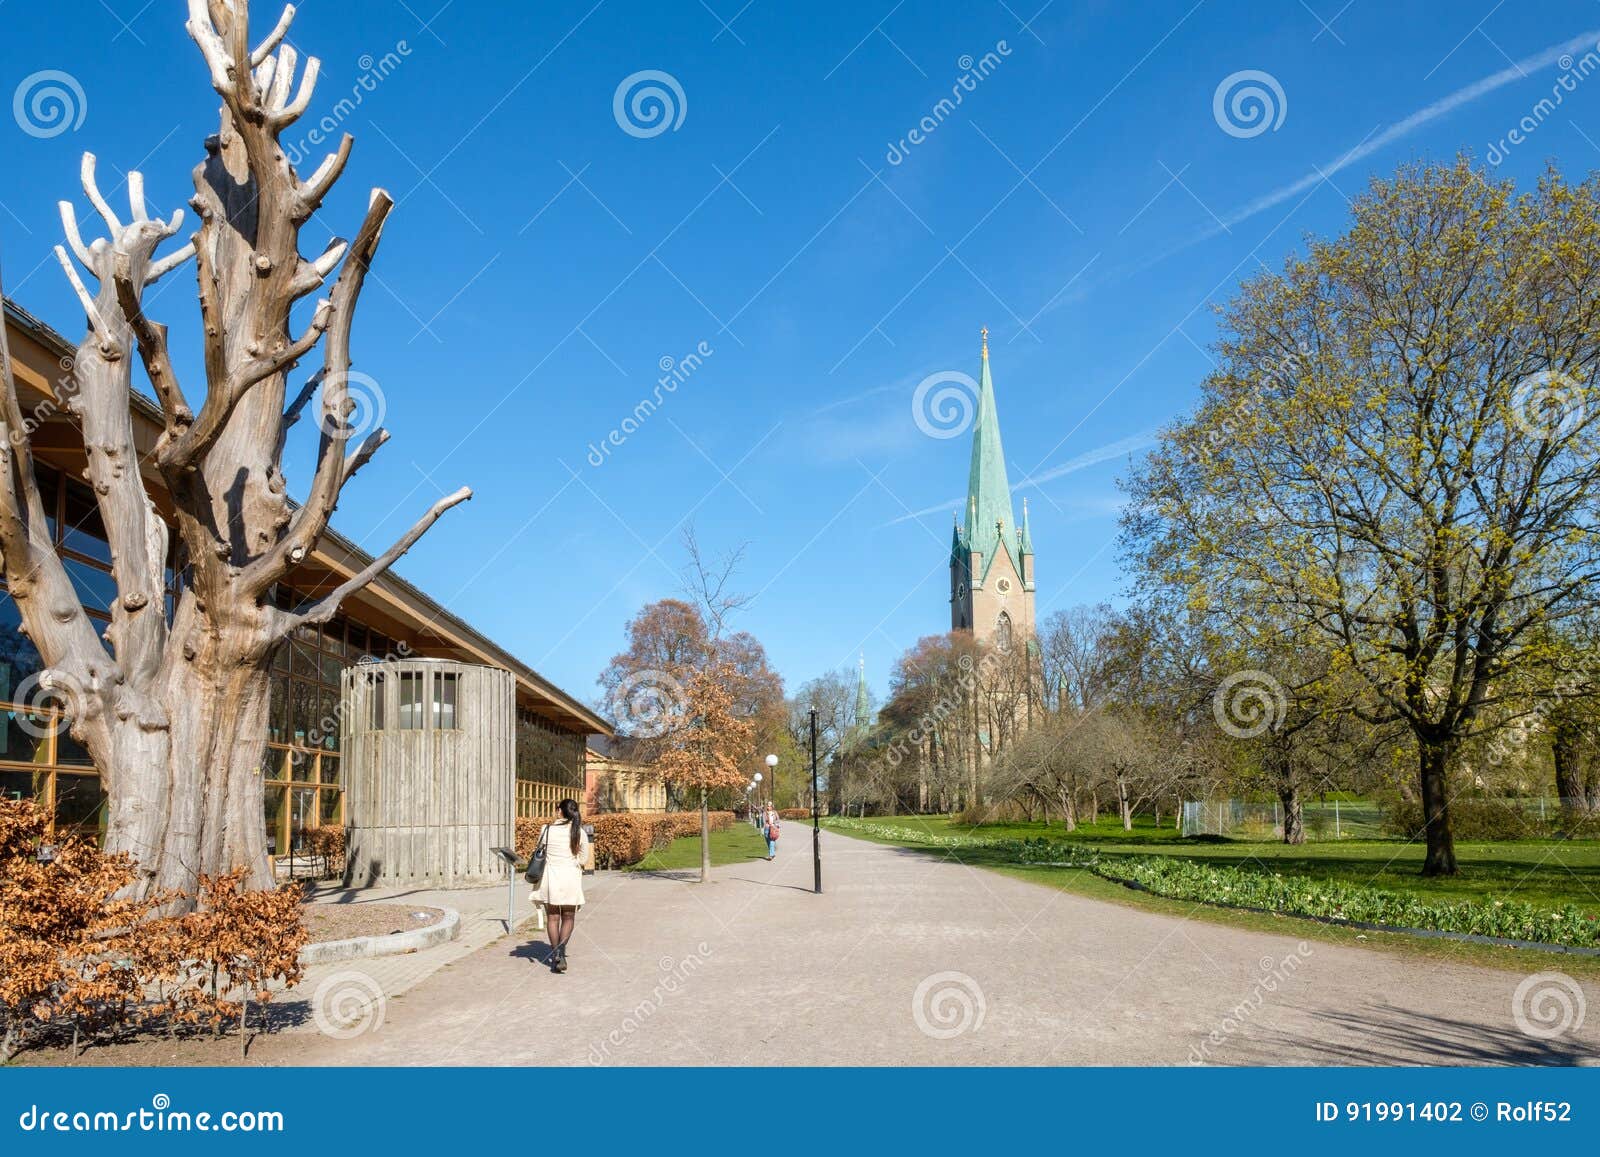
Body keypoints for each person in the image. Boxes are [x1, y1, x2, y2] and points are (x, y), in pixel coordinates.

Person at [530, 798, 589, 973]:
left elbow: (540, 850)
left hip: (551, 878)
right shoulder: (579, 832)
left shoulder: (546, 830)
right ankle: (562, 952)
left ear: (559, 811)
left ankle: (556, 954)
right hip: (570, 878)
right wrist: (574, 861)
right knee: (569, 917)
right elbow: (584, 859)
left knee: (553, 918)